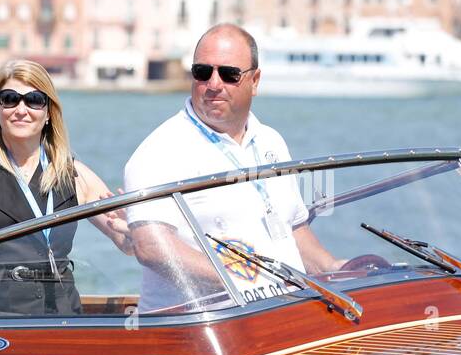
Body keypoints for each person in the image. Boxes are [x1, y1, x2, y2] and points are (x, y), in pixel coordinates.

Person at [123, 23, 341, 312]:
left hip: (281, 314)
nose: (214, 84)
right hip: (200, 330)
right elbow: (152, 249)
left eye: (228, 74)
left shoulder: (271, 140)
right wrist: (247, 283)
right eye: (203, 72)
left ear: (256, 81)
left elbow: (294, 232)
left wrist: (337, 268)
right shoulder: (159, 151)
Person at [0, 59, 131, 316]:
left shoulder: (73, 173)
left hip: (62, 317)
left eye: (34, 99)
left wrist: (131, 231)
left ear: (49, 112)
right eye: (10, 99)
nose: (21, 109)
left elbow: (126, 244)